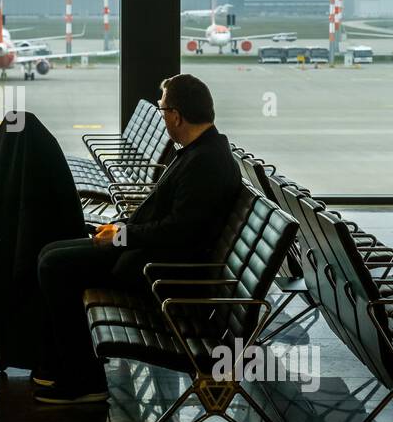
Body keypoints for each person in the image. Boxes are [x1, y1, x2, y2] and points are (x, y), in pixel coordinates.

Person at [33, 73, 242, 404]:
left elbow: (176, 232)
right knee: (50, 254)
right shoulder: (200, 150)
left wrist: (121, 235)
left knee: (55, 266)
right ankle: (61, 362)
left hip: (160, 272)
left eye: (162, 111)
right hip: (151, 254)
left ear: (175, 115)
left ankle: (85, 379)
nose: (162, 119)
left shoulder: (204, 162)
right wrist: (121, 229)